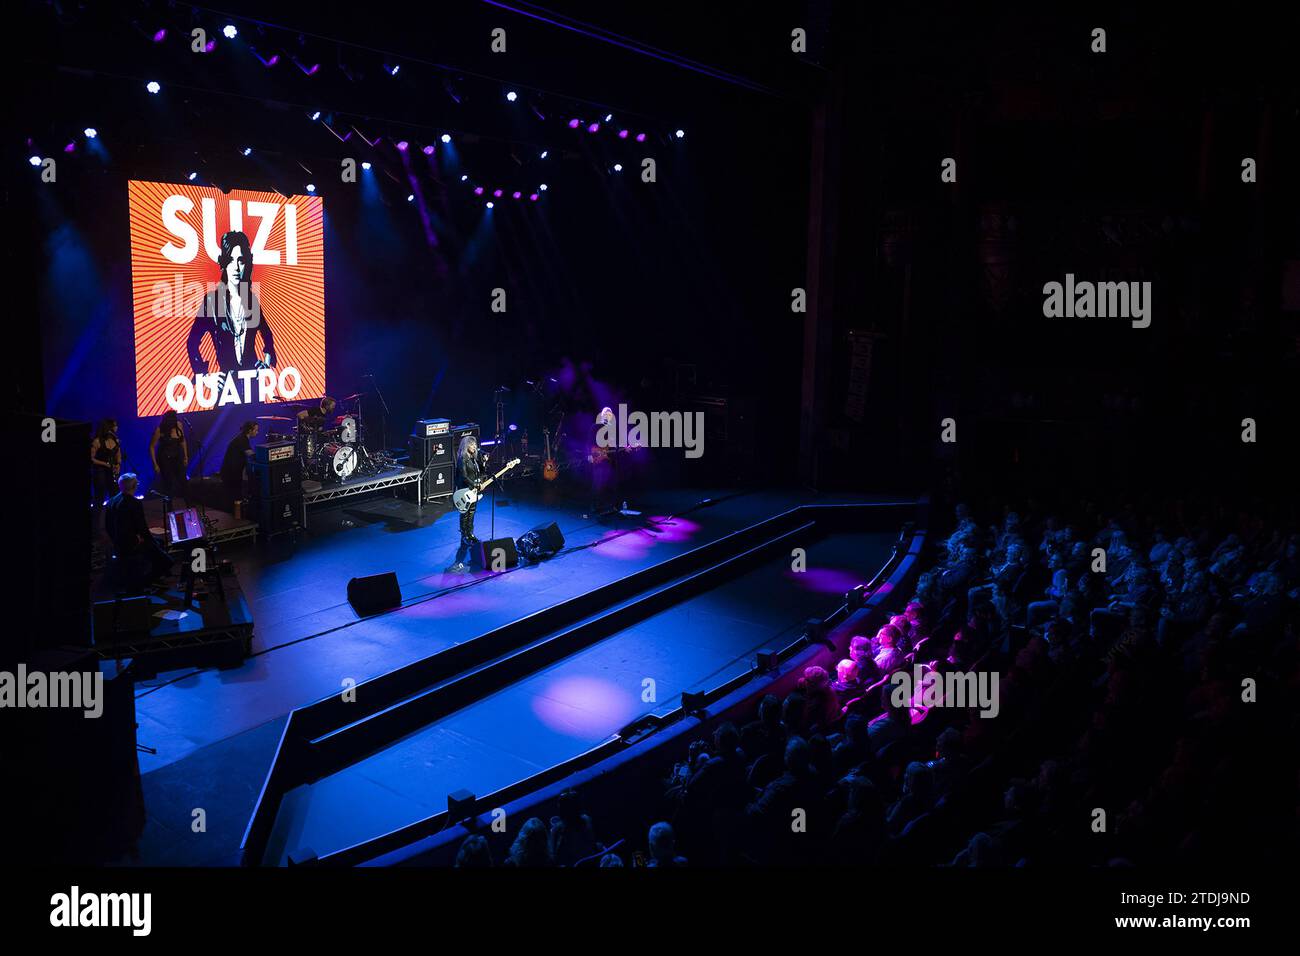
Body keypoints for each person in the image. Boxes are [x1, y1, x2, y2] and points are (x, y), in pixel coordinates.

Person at [185, 230, 277, 386]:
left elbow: (267, 335)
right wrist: (205, 377)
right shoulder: (212, 302)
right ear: (224, 263)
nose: (236, 267)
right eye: (231, 260)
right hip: (226, 386)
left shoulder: (252, 301)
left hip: (252, 385)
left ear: (247, 263)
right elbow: (192, 343)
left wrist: (266, 363)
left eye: (241, 261)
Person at [104, 473, 173, 589]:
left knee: (159, 542)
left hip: (118, 543)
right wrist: (145, 541)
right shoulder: (134, 503)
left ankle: (153, 573)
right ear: (134, 486)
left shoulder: (112, 501)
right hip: (131, 544)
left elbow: (108, 526)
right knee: (168, 562)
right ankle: (145, 581)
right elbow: (143, 529)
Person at [448, 433, 482, 573]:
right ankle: (464, 535)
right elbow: (463, 475)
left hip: (473, 490)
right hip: (465, 490)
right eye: (472, 445)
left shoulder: (473, 459)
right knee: (465, 512)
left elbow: (478, 473)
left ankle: (470, 533)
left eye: (475, 445)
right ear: (467, 446)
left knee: (472, 511)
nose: (475, 447)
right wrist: (473, 484)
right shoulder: (462, 458)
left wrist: (483, 462)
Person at [150, 410, 188, 507]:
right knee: (168, 483)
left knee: (183, 481)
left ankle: (189, 504)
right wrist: (155, 464)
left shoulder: (179, 425)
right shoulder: (160, 430)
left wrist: (185, 456)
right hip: (165, 459)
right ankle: (169, 507)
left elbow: (183, 441)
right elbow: (152, 447)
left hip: (178, 457)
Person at [89, 418, 124, 518]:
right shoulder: (97, 441)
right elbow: (91, 458)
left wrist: (118, 465)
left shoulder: (116, 440)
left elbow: (119, 455)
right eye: (115, 425)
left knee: (115, 496)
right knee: (99, 498)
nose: (116, 427)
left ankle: (114, 520)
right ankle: (96, 523)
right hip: (100, 471)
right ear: (109, 428)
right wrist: (105, 464)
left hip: (112, 472)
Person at [220, 420, 259, 506]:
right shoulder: (242, 439)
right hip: (231, 472)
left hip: (233, 470)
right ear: (250, 430)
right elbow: (250, 454)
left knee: (236, 494)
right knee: (236, 495)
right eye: (256, 430)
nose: (257, 432)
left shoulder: (242, 438)